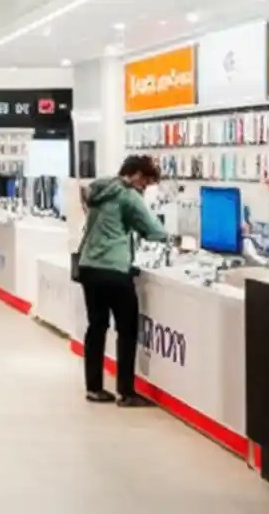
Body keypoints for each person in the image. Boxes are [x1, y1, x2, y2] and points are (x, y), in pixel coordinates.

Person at [77, 154, 170, 407]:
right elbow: (153, 230)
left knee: (96, 327)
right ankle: (126, 392)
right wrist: (171, 238)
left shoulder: (100, 188)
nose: (145, 189)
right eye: (146, 183)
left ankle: (94, 388)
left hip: (89, 266)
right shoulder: (128, 196)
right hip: (114, 269)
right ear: (138, 175)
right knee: (127, 329)